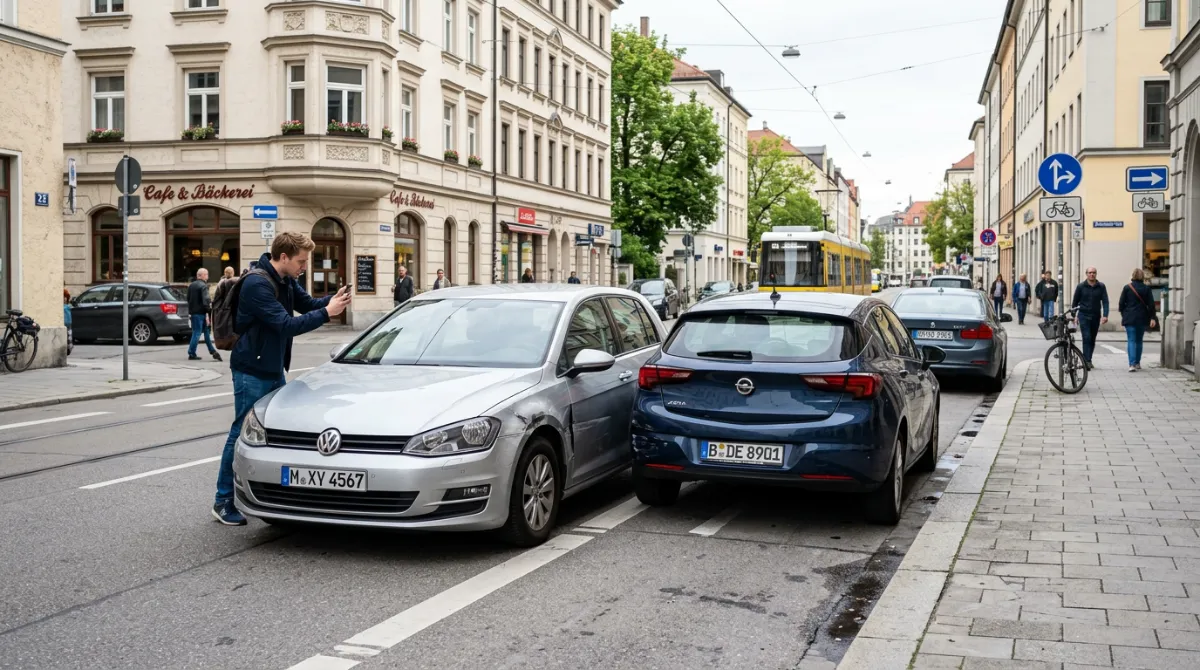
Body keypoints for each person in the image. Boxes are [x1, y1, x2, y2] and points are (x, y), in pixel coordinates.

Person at [212, 232, 350, 526]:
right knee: (240, 434)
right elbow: (285, 325)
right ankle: (223, 500)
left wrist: (333, 300)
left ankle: (277, 496)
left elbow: (308, 304)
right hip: (251, 370)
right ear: (283, 257)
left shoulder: (286, 280)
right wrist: (328, 312)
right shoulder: (257, 284)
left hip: (273, 368)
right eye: (301, 261)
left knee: (279, 434)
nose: (304, 266)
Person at [1118, 268, 1158, 372]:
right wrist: (1152, 317)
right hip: (1142, 317)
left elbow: (1121, 304)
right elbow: (1151, 305)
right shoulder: (1146, 289)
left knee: (1131, 340)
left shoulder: (1127, 288)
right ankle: (1137, 363)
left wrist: (1124, 314)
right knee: (1139, 341)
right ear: (1142, 277)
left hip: (1130, 317)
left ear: (1133, 275)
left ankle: (1131, 364)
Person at [1071, 266, 1109, 370]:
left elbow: (1105, 301)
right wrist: (1074, 316)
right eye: (1090, 272)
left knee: (1092, 339)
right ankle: (1086, 361)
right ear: (1086, 274)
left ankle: (1089, 359)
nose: (1092, 274)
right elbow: (1075, 302)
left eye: (1094, 273)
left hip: (1096, 316)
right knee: (1086, 337)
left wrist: (1105, 315)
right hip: (1083, 315)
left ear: (1096, 274)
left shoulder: (1101, 286)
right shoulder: (1081, 286)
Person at [187, 268, 222, 362]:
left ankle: (212, 351)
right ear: (201, 275)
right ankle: (191, 353)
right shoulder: (203, 286)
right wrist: (209, 311)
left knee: (203, 332)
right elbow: (206, 300)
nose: (207, 276)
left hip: (194, 313)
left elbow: (188, 299)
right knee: (198, 333)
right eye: (206, 274)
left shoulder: (191, 285)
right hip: (201, 313)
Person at [63, 289, 73, 356]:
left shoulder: (68, 305)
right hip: (64, 322)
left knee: (69, 336)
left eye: (65, 297)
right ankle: (67, 347)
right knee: (66, 336)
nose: (64, 299)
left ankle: (69, 347)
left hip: (68, 322)